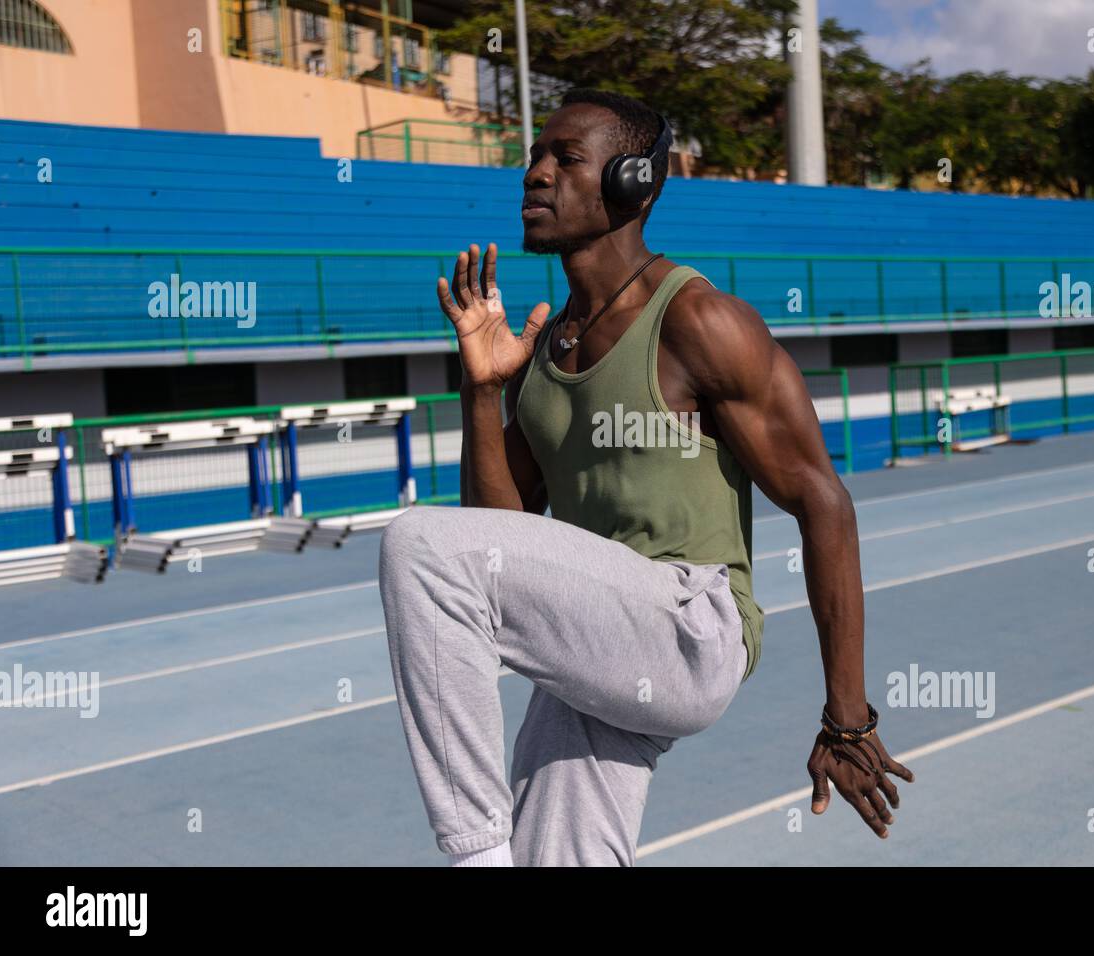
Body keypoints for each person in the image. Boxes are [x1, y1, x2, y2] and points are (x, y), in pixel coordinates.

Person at [378, 88, 913, 867]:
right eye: (533, 156)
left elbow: (823, 502)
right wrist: (484, 389)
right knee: (554, 858)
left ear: (635, 183)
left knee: (418, 543)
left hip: (690, 624)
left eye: (565, 159)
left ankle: (472, 854)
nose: (535, 175)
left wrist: (848, 719)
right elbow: (500, 541)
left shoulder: (700, 321)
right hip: (606, 642)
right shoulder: (548, 349)